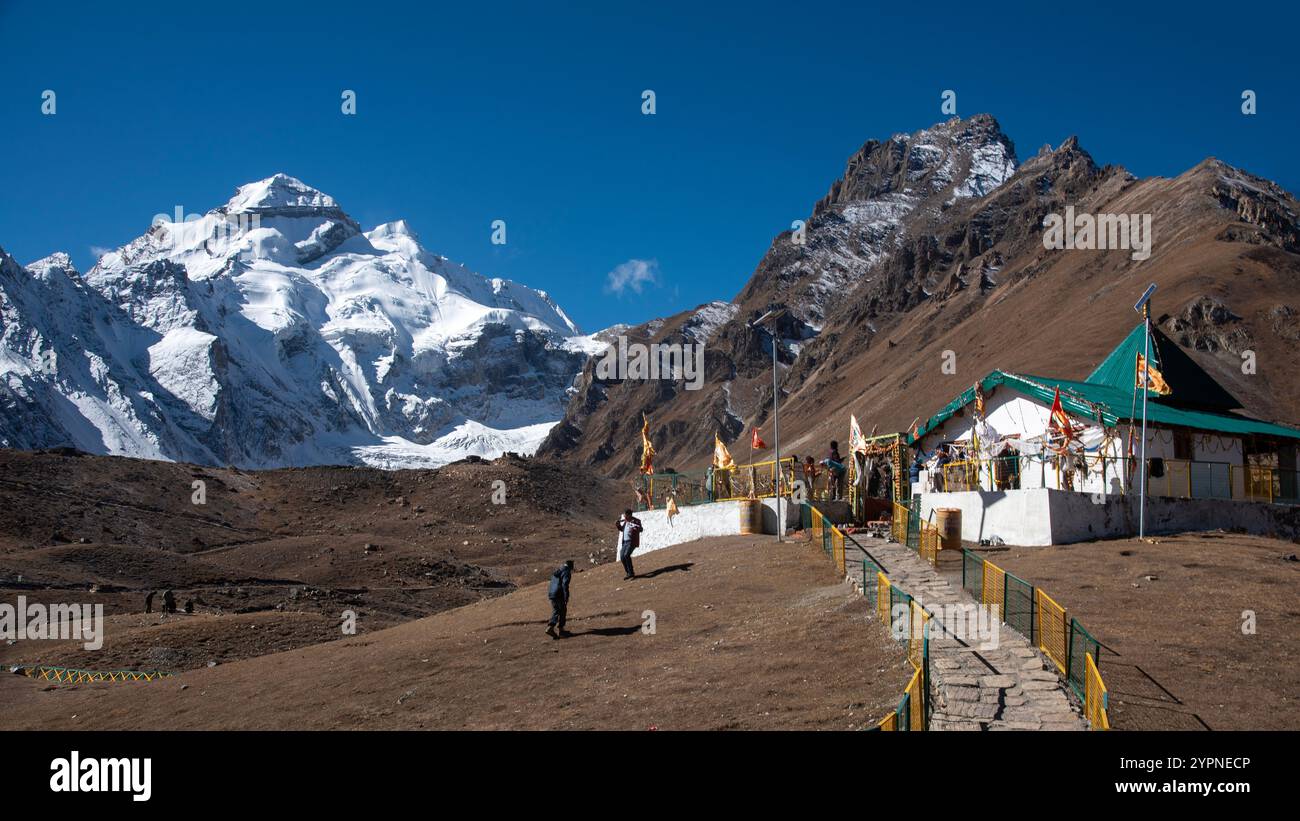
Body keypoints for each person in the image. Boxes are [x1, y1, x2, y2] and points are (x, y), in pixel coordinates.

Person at [546, 560, 574, 639]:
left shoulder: (558, 570)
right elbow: (565, 584)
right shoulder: (566, 571)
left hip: (552, 594)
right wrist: (566, 596)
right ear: (570, 566)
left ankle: (552, 628)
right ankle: (560, 630)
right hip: (559, 594)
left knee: (556, 610)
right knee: (563, 610)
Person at [616, 509, 643, 579]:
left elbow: (641, 529)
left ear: (629, 515)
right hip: (625, 542)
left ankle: (631, 572)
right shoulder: (625, 522)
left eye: (625, 515)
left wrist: (634, 526)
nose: (624, 516)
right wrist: (618, 525)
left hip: (631, 541)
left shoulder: (636, 521)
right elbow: (622, 529)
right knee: (622, 557)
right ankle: (628, 572)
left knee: (626, 555)